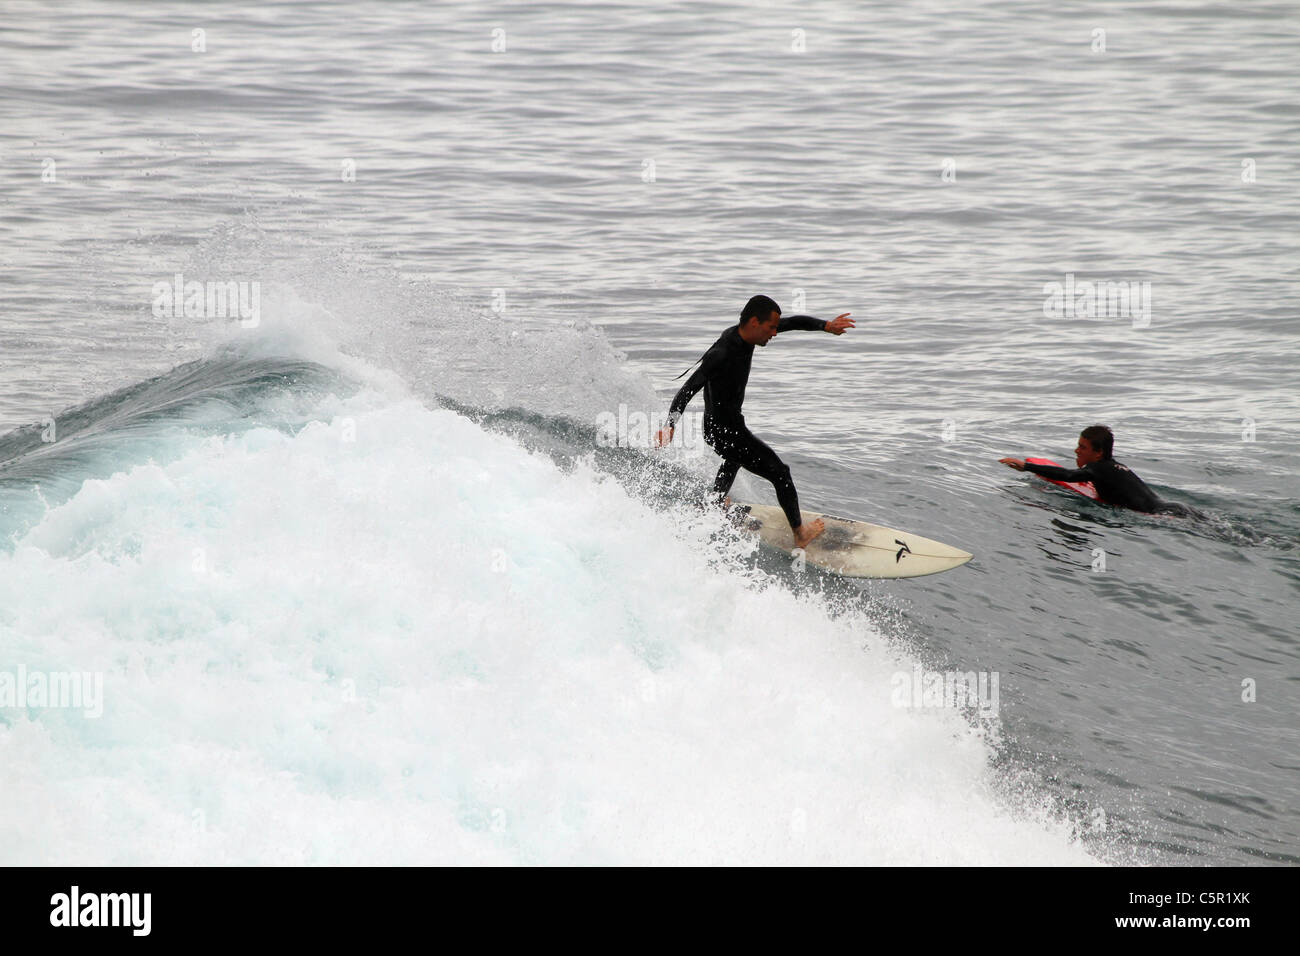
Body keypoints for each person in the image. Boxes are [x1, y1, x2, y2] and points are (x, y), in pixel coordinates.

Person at [654, 294, 854, 548]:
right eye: (771, 327)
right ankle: (800, 535)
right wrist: (669, 426)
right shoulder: (722, 353)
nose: (775, 333)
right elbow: (687, 389)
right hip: (725, 432)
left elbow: (792, 323)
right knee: (781, 474)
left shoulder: (750, 333)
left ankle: (713, 504)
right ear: (754, 323)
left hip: (723, 429)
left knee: (735, 458)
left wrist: (825, 325)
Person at [999, 425, 1192, 515]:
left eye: (1083, 447)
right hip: (1176, 507)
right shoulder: (1117, 467)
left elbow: (1068, 475)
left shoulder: (1096, 469)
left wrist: (1026, 467)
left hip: (1163, 516)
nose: (1076, 450)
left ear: (1098, 453)